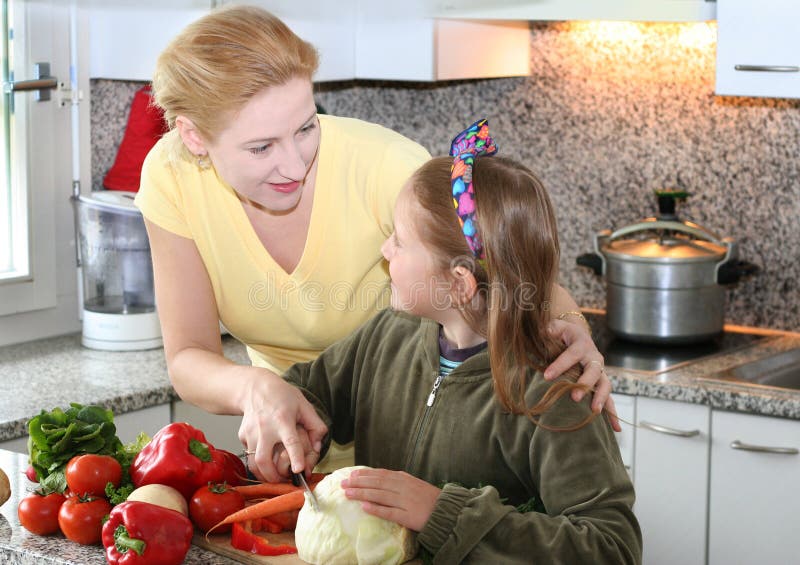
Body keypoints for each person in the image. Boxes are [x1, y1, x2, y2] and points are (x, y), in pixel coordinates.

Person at [135, 4, 617, 483]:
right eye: (261, 147)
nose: (294, 164)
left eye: (306, 128)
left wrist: (573, 327)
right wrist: (255, 388)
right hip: (298, 455)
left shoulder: (383, 164)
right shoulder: (171, 177)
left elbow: (500, 268)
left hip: (418, 457)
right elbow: (188, 356)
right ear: (194, 137)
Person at [271, 120, 641, 563]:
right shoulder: (388, 336)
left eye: (401, 241)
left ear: (460, 284)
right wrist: (287, 422)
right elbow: (312, 393)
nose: (385, 250)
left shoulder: (553, 391)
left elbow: (611, 546)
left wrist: (441, 514)